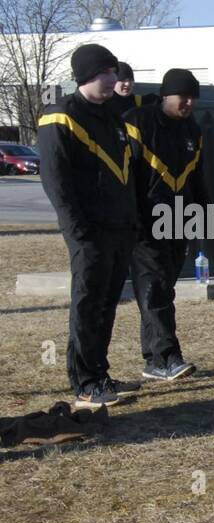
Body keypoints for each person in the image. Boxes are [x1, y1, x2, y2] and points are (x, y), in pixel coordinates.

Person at [38, 43, 140, 410]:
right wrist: (75, 227)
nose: (113, 79)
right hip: (88, 230)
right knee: (88, 303)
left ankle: (99, 372)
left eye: (115, 72)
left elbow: (127, 175)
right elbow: (55, 178)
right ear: (86, 76)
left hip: (119, 227)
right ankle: (84, 382)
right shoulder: (61, 116)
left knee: (108, 304)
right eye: (105, 73)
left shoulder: (114, 117)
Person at [123, 68, 206, 380]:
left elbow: (198, 179)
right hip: (144, 222)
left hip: (178, 220)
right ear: (166, 95)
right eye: (182, 96)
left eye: (192, 98)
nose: (188, 103)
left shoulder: (192, 130)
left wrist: (202, 216)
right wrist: (131, 218)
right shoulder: (137, 121)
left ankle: (154, 360)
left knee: (160, 289)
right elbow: (126, 176)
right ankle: (169, 356)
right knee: (155, 287)